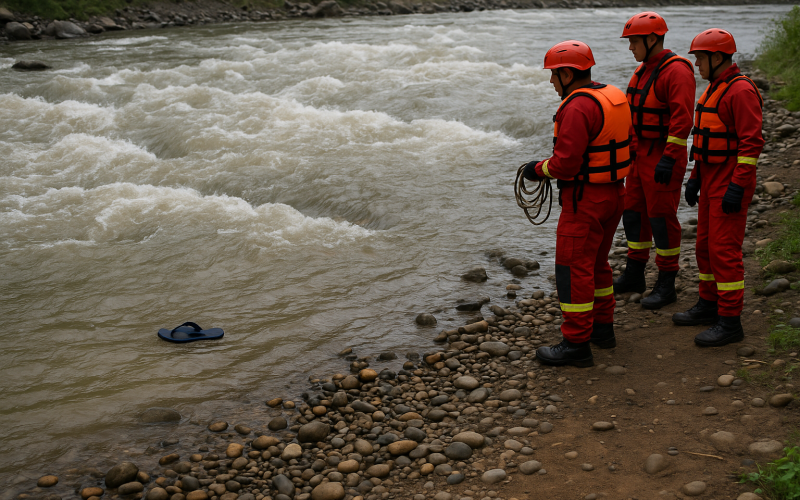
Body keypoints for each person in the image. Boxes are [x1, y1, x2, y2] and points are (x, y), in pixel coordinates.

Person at [522, 40, 631, 367]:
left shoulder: (576, 106)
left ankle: (576, 344)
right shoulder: (614, 95)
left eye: (554, 75)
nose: (551, 81)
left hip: (585, 201)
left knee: (572, 270)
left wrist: (536, 169)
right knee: (598, 265)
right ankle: (602, 330)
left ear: (568, 73)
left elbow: (566, 164)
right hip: (615, 194)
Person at [672, 28, 763, 346]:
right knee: (704, 246)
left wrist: (738, 186)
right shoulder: (715, 88)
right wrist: (695, 176)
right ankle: (709, 305)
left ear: (717, 57)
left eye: (699, 58)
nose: (696, 65)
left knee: (724, 251)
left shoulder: (739, 91)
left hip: (730, 179)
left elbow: (751, 143)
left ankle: (730, 322)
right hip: (711, 176)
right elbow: (705, 141)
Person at [613, 12, 696, 310]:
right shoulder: (644, 70)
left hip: (664, 155)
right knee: (633, 214)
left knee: (661, 219)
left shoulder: (677, 71)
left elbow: (682, 120)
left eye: (634, 41)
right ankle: (635, 274)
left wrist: (670, 158)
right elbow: (633, 116)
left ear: (651, 39)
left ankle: (667, 282)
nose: (630, 47)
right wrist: (630, 153)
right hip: (639, 155)